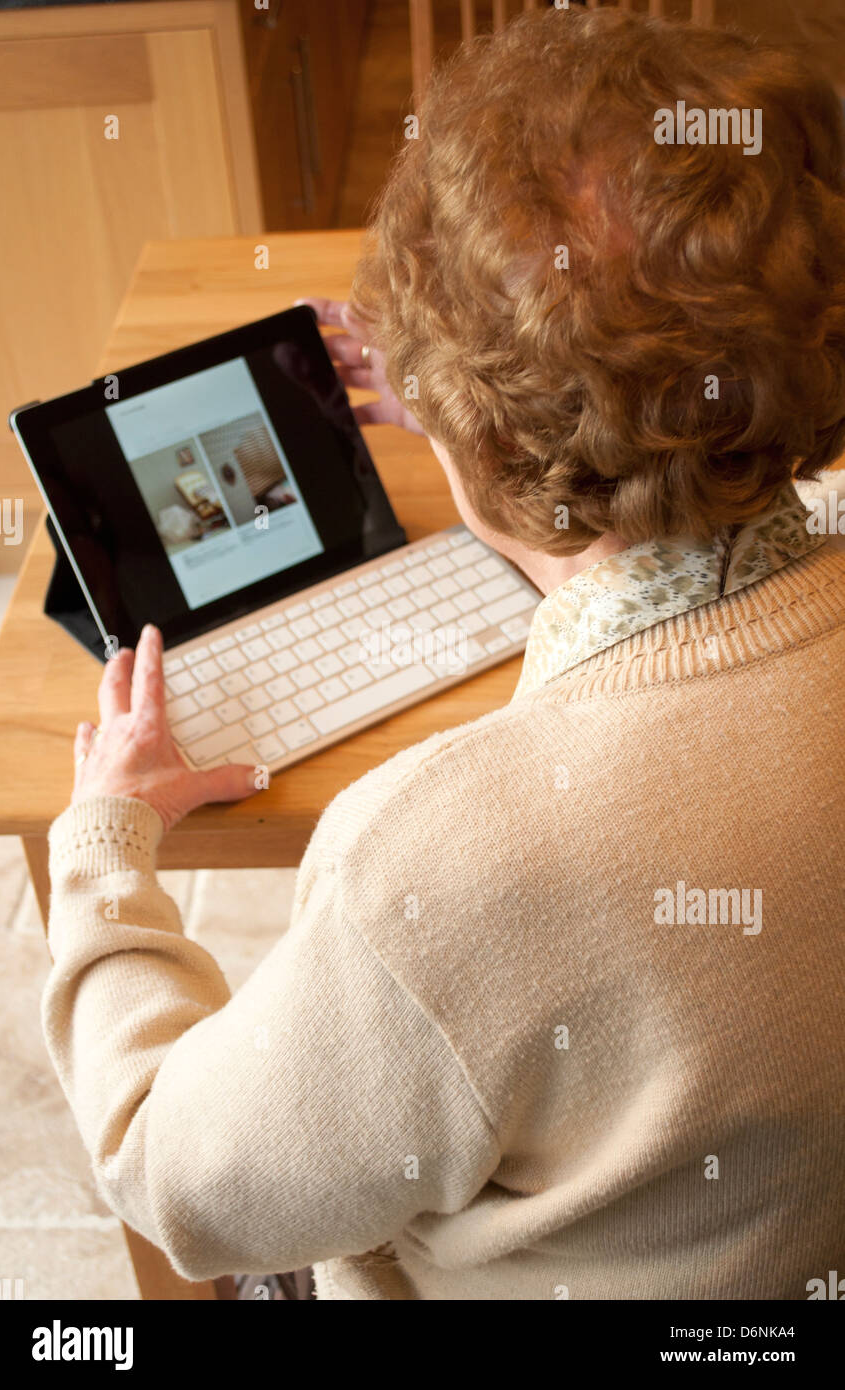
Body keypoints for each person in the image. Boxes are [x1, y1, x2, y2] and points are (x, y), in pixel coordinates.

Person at [42, 6, 845, 1300]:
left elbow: (173, 1170)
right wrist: (517, 397)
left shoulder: (437, 857)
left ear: (468, 433)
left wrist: (102, 853)